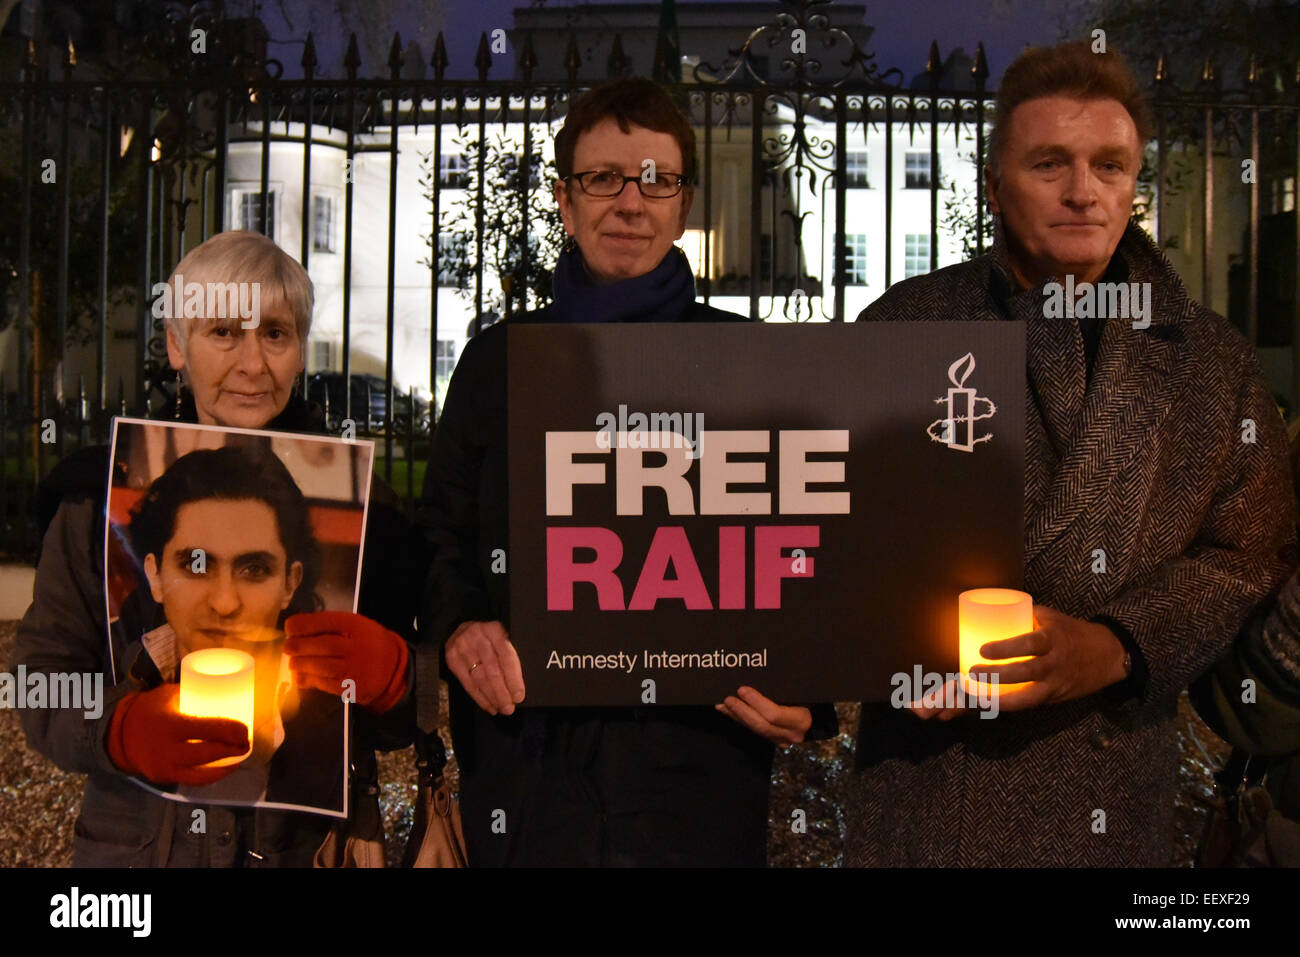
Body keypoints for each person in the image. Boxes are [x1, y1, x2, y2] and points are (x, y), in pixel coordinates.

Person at [847, 41, 1296, 866]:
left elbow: (1246, 553)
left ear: (1134, 183)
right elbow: (836, 519)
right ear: (993, 185)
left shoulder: (1211, 358)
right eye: (1049, 163)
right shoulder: (903, 323)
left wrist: (1116, 646)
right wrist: (894, 647)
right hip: (926, 790)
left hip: (1110, 791)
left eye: (1110, 165)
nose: (1083, 191)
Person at [418, 76, 836, 867]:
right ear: (564, 199)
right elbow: (441, 532)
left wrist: (810, 698)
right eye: (603, 178)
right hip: (528, 774)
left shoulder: (754, 363)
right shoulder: (495, 363)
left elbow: (810, 542)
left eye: (656, 180)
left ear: (683, 204)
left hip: (698, 779)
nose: (630, 202)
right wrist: (460, 624)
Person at [13, 230, 430, 866]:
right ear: (177, 346)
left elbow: (416, 705)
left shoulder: (371, 512)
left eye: (275, 334)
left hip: (309, 848)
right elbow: (42, 681)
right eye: (224, 333)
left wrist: (398, 679)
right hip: (142, 852)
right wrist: (120, 730)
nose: (253, 364)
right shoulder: (92, 499)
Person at [119, 443, 357, 812]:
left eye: (254, 569)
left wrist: (399, 679)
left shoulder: (335, 697)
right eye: (197, 566)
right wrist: (119, 732)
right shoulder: (119, 671)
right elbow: (48, 700)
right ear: (155, 576)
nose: (225, 603)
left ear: (290, 584)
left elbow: (403, 723)